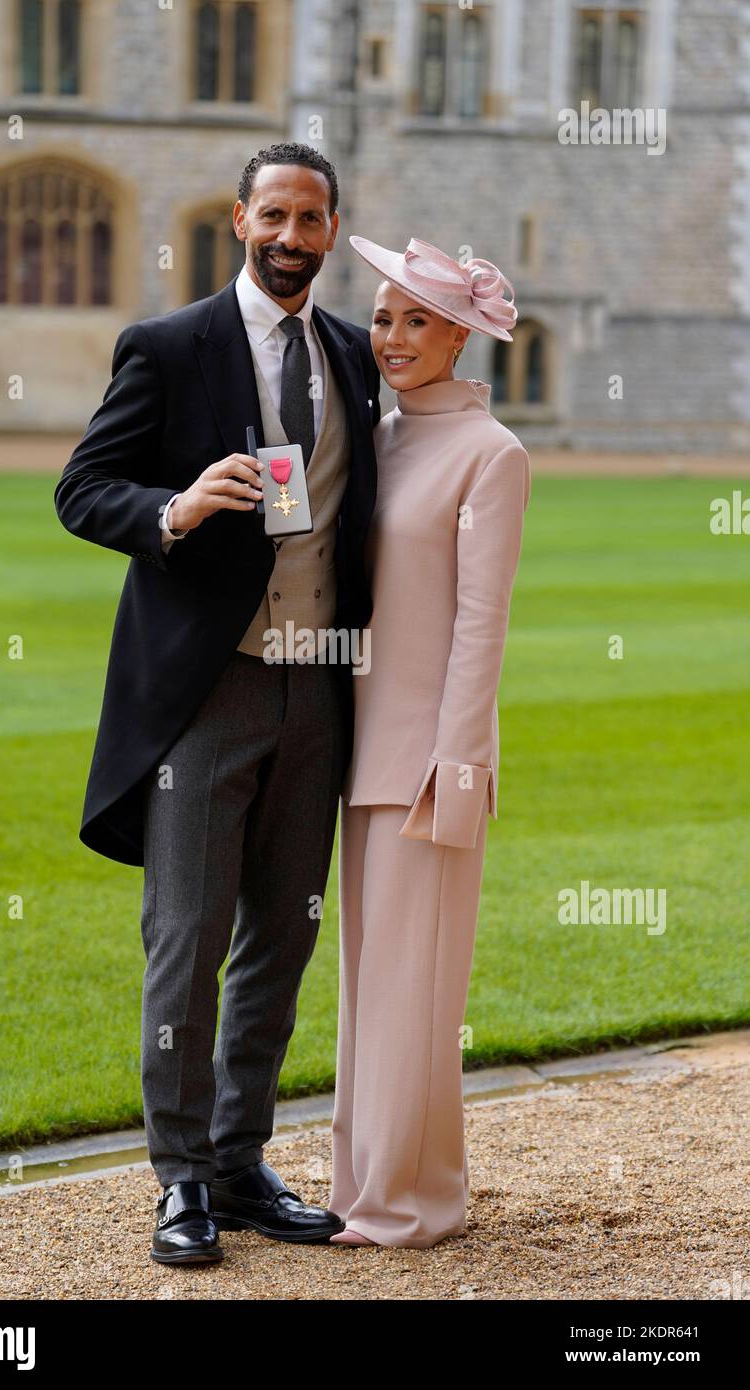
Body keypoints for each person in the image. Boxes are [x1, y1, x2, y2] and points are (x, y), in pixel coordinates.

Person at [53, 143, 381, 1265]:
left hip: (320, 686)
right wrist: (178, 507)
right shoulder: (168, 345)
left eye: (311, 220)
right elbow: (82, 488)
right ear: (240, 218)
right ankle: (180, 1179)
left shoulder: (350, 353)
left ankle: (239, 1164)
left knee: (281, 941)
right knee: (186, 937)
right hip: (208, 688)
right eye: (273, 215)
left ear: (333, 230)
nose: (291, 237)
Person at [328, 235, 531, 1248]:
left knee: (413, 991)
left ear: (461, 333)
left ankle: (413, 1200)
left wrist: (456, 771)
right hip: (355, 753)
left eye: (414, 320)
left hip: (425, 766)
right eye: (379, 317)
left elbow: (478, 626)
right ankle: (364, 1186)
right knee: (367, 989)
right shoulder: (379, 438)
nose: (391, 337)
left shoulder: (493, 455)